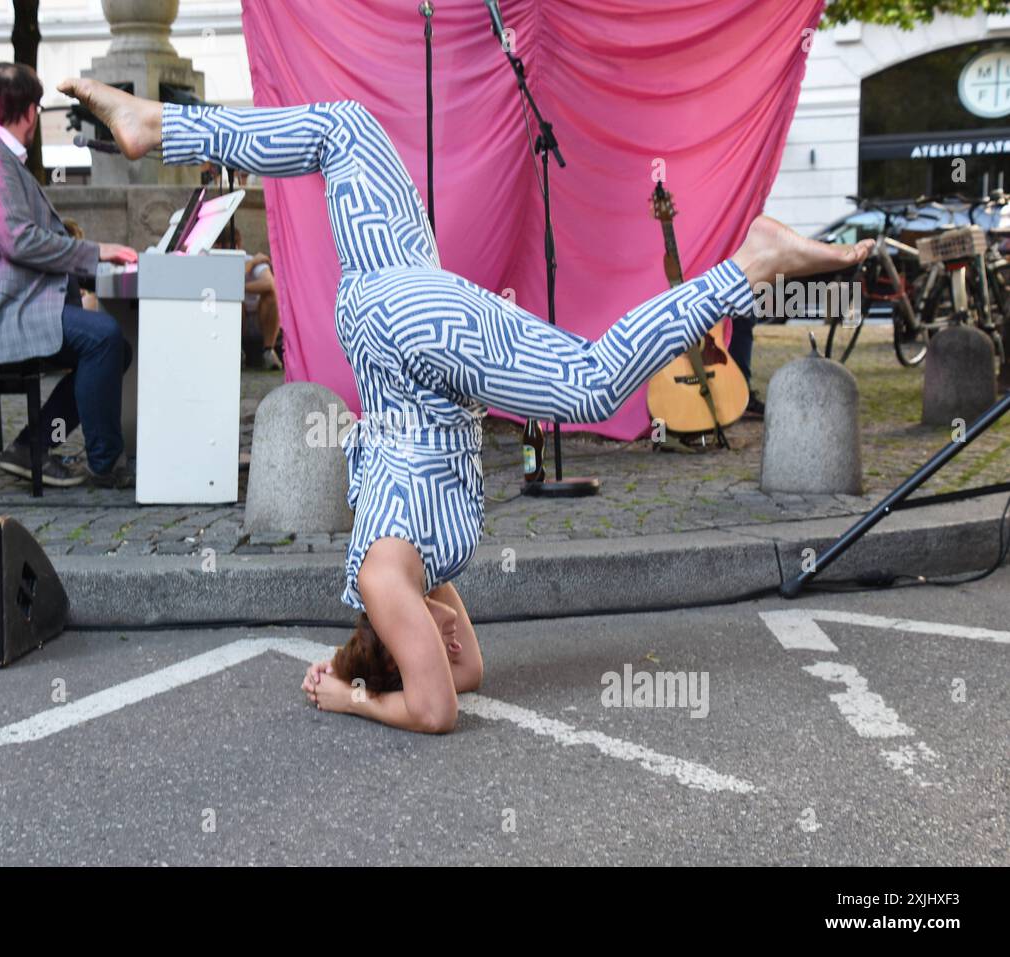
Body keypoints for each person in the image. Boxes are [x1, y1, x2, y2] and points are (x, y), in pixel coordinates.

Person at [58, 79, 873, 733]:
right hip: (395, 318)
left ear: (394, 639)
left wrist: (349, 696)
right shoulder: (424, 579)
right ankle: (157, 128)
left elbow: (438, 708)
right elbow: (465, 677)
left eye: (430, 643)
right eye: (444, 638)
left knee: (587, 381)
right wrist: (389, 659)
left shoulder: (386, 576)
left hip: (403, 326)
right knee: (347, 125)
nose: (454, 640)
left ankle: (750, 264)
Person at [0, 63, 137, 489]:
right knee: (103, 339)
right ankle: (104, 464)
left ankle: (34, 446)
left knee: (111, 347)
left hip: (4, 307)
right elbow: (19, 240)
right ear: (28, 111)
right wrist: (95, 252)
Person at [213, 227, 282, 370]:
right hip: (237, 320)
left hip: (261, 320)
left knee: (271, 296)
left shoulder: (251, 260)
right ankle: (237, 351)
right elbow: (224, 285)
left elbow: (269, 284)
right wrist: (250, 266)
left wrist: (238, 287)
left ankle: (268, 351)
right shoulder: (218, 264)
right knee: (233, 300)